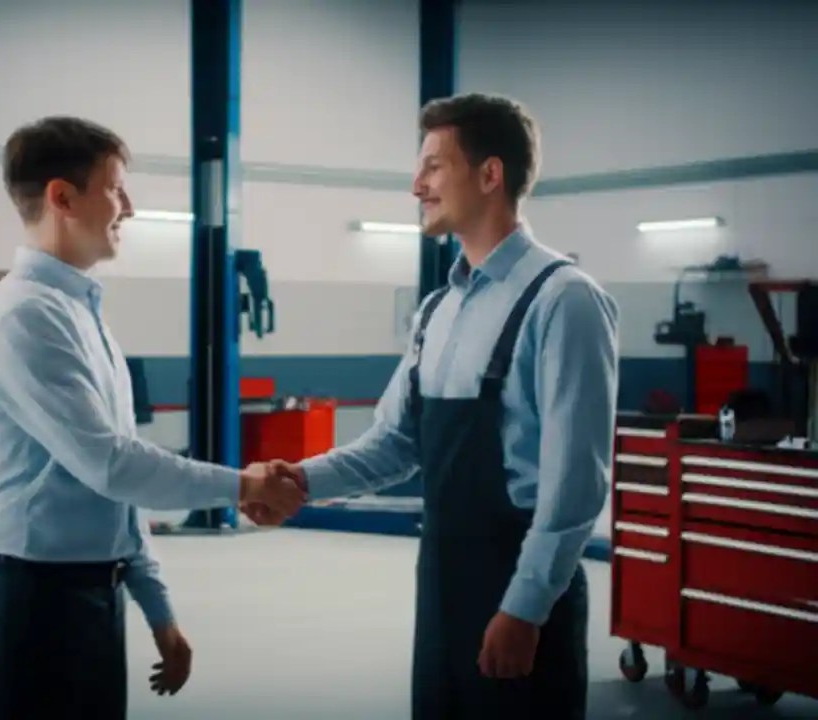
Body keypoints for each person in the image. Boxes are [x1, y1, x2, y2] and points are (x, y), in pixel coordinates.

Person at [247, 93, 619, 719]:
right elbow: (396, 441)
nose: (416, 185)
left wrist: (525, 606)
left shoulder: (564, 301)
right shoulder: (438, 311)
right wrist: (302, 480)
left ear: (490, 174)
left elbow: (575, 484)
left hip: (521, 590)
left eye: (433, 167)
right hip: (442, 582)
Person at [0, 115, 306, 720]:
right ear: (63, 197)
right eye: (116, 189)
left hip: (90, 595)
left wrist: (157, 610)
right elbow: (112, 467)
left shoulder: (80, 312)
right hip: (35, 609)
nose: (130, 208)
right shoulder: (24, 317)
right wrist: (243, 484)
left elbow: (114, 491)